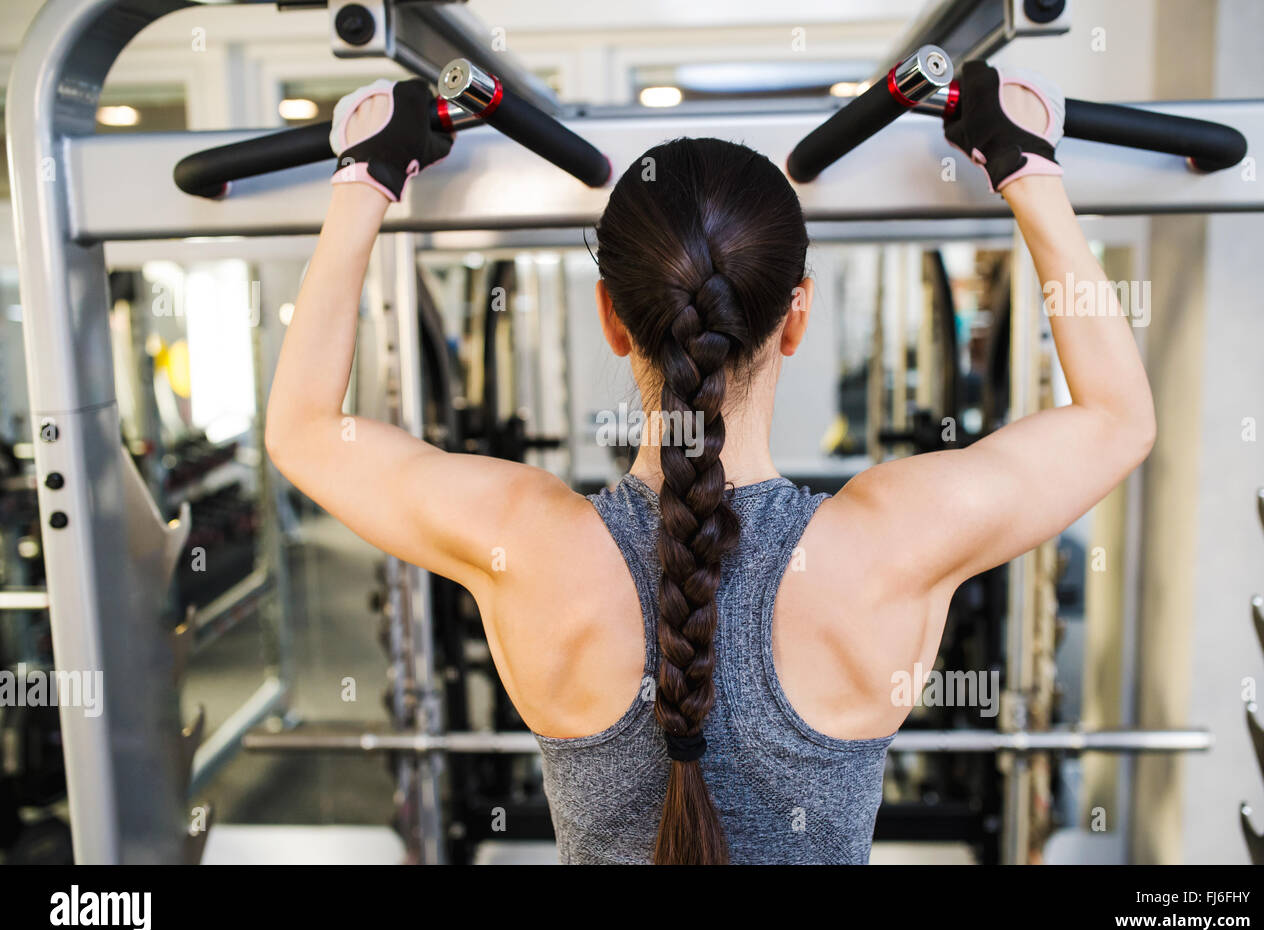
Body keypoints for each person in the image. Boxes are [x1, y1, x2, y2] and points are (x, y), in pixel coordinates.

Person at [265, 62, 1155, 865]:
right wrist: (1024, 163)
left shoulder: (527, 544)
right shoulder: (889, 544)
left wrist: (367, 174)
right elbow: (1116, 417)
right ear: (796, 319)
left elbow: (302, 427)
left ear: (613, 319)